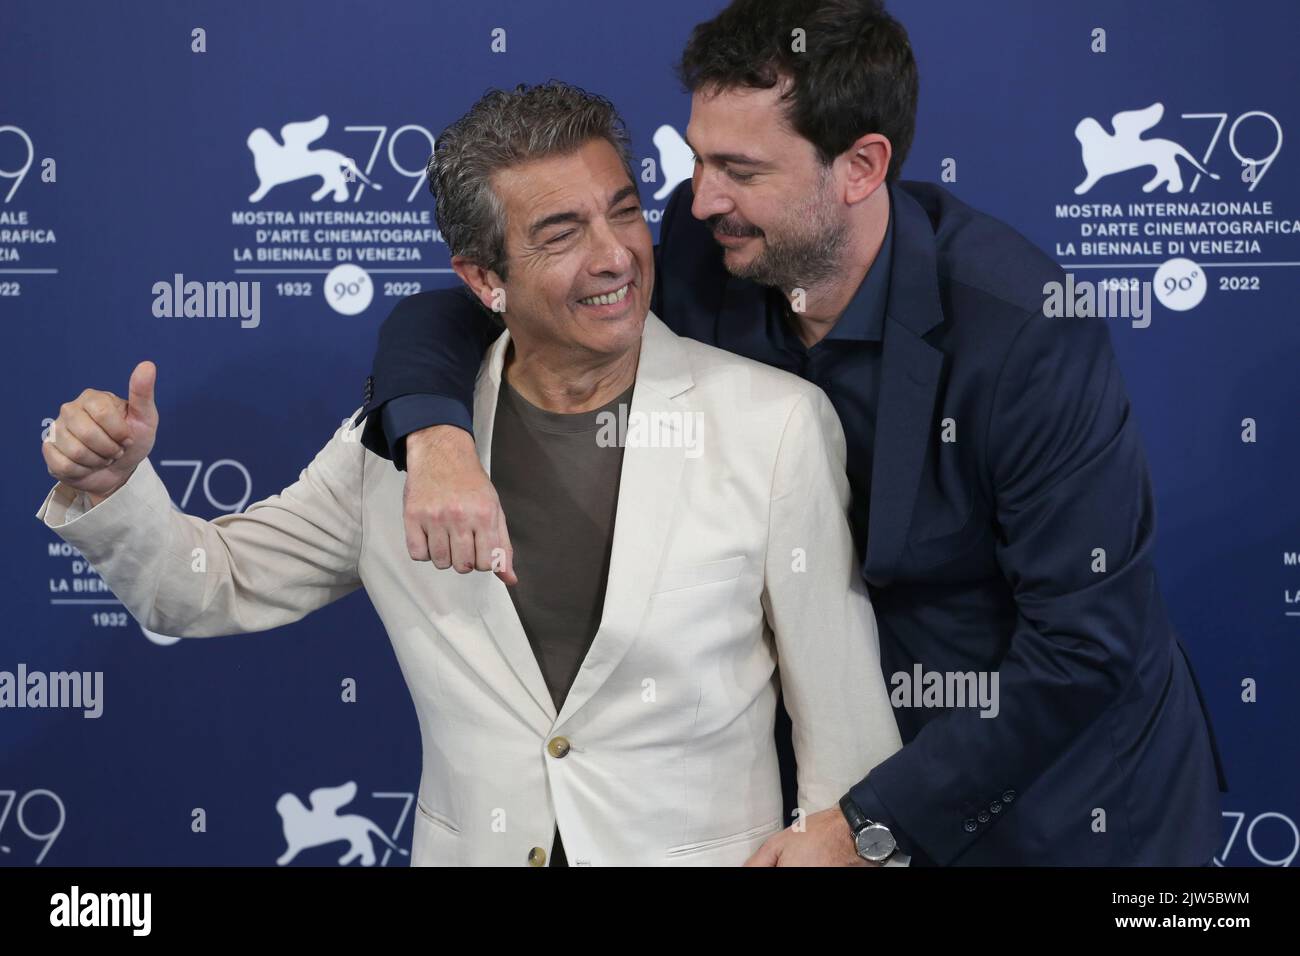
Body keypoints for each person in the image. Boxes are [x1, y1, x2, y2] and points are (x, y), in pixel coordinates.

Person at [353, 0, 1228, 866]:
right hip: (829, 793)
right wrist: (436, 436)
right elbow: (469, 308)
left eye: (739, 168)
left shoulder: (1024, 332)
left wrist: (867, 822)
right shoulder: (711, 252)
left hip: (1062, 804)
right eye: (696, 160)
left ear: (860, 166)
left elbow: (1083, 647)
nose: (699, 199)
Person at [36, 80, 905, 867]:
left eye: (624, 212)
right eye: (562, 234)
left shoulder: (776, 424)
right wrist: (116, 490)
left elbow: (845, 721)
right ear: (483, 278)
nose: (615, 257)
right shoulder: (396, 449)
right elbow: (206, 587)